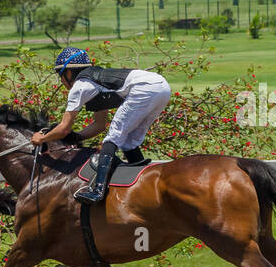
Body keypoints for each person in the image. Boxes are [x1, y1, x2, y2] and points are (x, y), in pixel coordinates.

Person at [30, 47, 171, 204]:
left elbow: (64, 128)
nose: (61, 80)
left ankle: (98, 190)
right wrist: (77, 136)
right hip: (162, 87)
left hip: (145, 88)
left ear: (68, 73)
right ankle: (141, 181)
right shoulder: (95, 83)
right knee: (128, 141)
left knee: (114, 136)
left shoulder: (80, 86)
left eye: (60, 75)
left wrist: (42, 138)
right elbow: (99, 125)